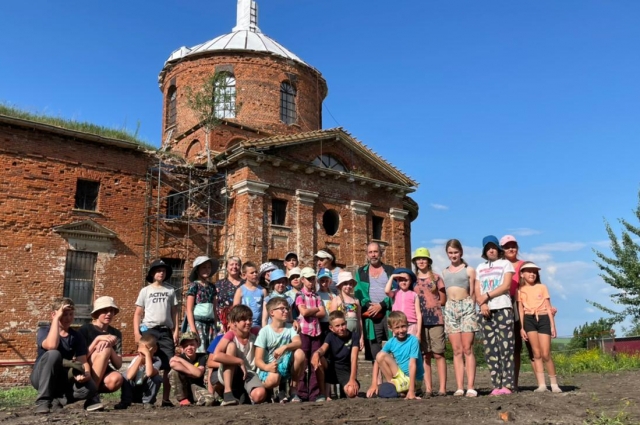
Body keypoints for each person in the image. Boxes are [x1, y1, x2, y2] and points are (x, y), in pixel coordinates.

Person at [30, 297, 102, 414]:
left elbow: (82, 361)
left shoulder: (76, 336)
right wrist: (56, 319)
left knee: (91, 388)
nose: (68, 318)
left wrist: (86, 374)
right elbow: (52, 346)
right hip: (40, 377)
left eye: (71, 314)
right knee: (54, 354)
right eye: (64, 314)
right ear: (54, 314)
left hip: (62, 380)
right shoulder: (44, 331)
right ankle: (43, 402)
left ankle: (57, 400)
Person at [134, 259, 179, 407]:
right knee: (144, 362)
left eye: (164, 271)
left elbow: (174, 313)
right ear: (152, 273)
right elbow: (138, 313)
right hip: (149, 330)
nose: (161, 273)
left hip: (165, 331)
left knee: (168, 366)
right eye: (158, 270)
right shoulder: (145, 291)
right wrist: (136, 333)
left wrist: (176, 330)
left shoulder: (170, 291)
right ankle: (140, 395)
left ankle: (165, 399)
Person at [476, 235, 515, 396]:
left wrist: (487, 296)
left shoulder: (505, 264)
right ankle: (496, 384)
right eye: (487, 248)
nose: (491, 250)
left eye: (493, 247)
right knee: (491, 349)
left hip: (503, 307)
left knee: (506, 346)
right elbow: (477, 289)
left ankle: (508, 384)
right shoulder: (480, 267)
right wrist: (483, 303)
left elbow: (506, 285)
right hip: (486, 311)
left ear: (498, 250)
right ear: (485, 251)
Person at [441, 239, 479, 397]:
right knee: (456, 350)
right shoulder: (444, 272)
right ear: (447, 254)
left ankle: (470, 386)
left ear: (461, 252)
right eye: (450, 252)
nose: (453, 255)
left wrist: (472, 304)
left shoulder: (469, 270)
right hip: (450, 308)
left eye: (455, 252)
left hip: (466, 306)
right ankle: (459, 387)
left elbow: (474, 290)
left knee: (467, 348)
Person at [517, 262, 562, 393]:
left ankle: (554, 384)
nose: (532, 274)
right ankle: (541, 385)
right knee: (536, 353)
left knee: (546, 353)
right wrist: (521, 327)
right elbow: (520, 310)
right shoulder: (520, 290)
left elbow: (548, 307)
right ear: (522, 274)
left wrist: (553, 326)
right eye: (529, 271)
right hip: (528, 320)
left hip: (543, 319)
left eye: (534, 272)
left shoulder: (542, 287)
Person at [211, 305, 267, 406]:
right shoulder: (231, 334)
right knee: (231, 346)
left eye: (250, 319)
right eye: (244, 320)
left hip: (249, 373)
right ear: (235, 323)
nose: (248, 322)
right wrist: (239, 361)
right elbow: (216, 356)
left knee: (259, 395)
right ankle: (227, 393)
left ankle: (245, 394)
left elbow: (271, 331)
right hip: (232, 372)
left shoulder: (255, 331)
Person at [500, 234, 535, 390]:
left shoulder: (524, 265)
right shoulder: (499, 266)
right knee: (513, 347)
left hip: (523, 303)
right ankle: (513, 383)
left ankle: (541, 382)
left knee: (531, 344)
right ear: (502, 249)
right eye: (507, 246)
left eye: (513, 246)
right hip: (505, 304)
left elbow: (535, 286)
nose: (511, 249)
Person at [411, 248, 447, 397]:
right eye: (418, 259)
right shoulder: (412, 279)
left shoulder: (437, 278)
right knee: (425, 355)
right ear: (414, 262)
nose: (421, 261)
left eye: (423, 259)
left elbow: (444, 300)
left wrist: (434, 295)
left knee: (438, 353)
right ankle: (428, 389)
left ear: (429, 261)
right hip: (419, 320)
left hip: (436, 319)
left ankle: (443, 389)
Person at [254, 297, 305, 402]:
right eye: (282, 309)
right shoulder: (264, 331)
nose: (286, 311)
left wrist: (285, 347)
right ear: (272, 312)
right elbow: (258, 360)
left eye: (287, 308)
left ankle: (293, 391)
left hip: (284, 365)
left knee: (300, 353)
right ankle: (269, 393)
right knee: (274, 378)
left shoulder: (290, 328)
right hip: (269, 368)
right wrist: (267, 367)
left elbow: (298, 342)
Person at [366, 311, 424, 400]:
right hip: (400, 375)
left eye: (403, 326)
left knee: (383, 391)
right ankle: (395, 386)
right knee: (380, 355)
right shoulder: (391, 342)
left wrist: (411, 390)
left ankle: (407, 390)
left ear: (407, 325)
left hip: (414, 379)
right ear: (390, 328)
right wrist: (374, 383)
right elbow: (377, 360)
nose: (401, 330)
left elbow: (412, 365)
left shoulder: (413, 341)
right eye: (397, 327)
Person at [355, 242, 395, 362]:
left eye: (375, 252)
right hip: (371, 314)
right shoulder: (361, 272)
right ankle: (377, 380)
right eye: (370, 252)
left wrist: (381, 305)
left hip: (388, 312)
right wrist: (369, 305)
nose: (373, 255)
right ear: (367, 254)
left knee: (394, 343)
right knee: (374, 348)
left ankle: (396, 378)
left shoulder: (390, 270)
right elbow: (358, 292)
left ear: (381, 253)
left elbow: (394, 290)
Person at [78, 296, 124, 395]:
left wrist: (109, 347)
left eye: (111, 311)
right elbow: (80, 358)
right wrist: (97, 340)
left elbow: (118, 365)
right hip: (85, 368)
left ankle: (91, 392)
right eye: (105, 311)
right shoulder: (85, 329)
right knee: (105, 348)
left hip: (103, 369)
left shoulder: (115, 333)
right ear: (97, 313)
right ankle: (92, 395)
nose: (109, 314)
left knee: (116, 379)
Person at [311, 311, 361, 399]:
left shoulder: (354, 336)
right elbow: (323, 348)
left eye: (343, 324)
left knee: (351, 392)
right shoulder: (330, 336)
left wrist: (352, 379)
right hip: (331, 368)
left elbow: (354, 358)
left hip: (345, 370)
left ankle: (343, 389)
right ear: (331, 328)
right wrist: (316, 353)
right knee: (318, 357)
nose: (341, 328)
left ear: (346, 323)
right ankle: (323, 394)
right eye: (337, 326)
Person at [295, 267, 327, 402]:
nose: (311, 281)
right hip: (304, 331)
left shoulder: (317, 296)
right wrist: (315, 309)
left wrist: (310, 310)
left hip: (316, 331)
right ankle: (301, 393)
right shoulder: (299, 296)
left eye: (313, 278)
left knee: (315, 361)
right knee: (303, 362)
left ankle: (314, 393)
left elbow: (323, 313)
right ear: (302, 280)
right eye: (308, 279)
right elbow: (304, 313)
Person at [114, 334, 163, 409]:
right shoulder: (136, 359)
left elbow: (149, 373)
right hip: (134, 391)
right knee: (124, 375)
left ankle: (148, 402)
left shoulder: (156, 361)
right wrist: (140, 358)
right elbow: (129, 376)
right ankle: (125, 401)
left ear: (154, 349)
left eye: (146, 349)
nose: (142, 352)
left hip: (145, 392)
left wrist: (147, 355)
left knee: (156, 378)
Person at [169, 331, 213, 406]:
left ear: (197, 344)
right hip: (184, 387)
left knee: (210, 400)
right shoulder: (179, 357)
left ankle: (196, 400)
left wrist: (181, 361)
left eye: (192, 344)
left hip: (196, 386)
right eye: (186, 345)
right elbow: (172, 364)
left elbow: (198, 373)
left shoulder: (202, 357)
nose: (189, 347)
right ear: (182, 348)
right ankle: (182, 399)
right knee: (173, 372)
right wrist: (192, 372)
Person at [186, 256, 220, 353]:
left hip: (210, 324)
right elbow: (189, 309)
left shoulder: (212, 286)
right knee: (199, 350)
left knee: (212, 350)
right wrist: (193, 329)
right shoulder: (194, 285)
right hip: (198, 323)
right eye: (204, 267)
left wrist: (216, 324)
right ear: (197, 270)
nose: (207, 270)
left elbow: (214, 307)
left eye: (209, 267)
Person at [330, 271, 365, 350]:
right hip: (340, 333)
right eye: (345, 284)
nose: (348, 286)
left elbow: (359, 319)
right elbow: (332, 320)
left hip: (354, 332)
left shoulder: (356, 300)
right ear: (340, 286)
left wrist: (361, 336)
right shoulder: (336, 300)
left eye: (350, 284)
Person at [385, 268, 421, 338]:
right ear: (397, 281)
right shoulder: (395, 292)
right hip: (397, 325)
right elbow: (386, 291)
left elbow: (418, 314)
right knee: (398, 346)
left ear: (410, 281)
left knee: (410, 346)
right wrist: (392, 277)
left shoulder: (414, 295)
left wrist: (419, 332)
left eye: (406, 280)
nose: (403, 282)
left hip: (411, 325)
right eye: (401, 280)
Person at [234, 261, 267, 331]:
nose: (255, 274)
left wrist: (264, 328)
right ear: (244, 275)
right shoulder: (240, 290)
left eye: (256, 272)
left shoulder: (263, 291)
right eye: (252, 273)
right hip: (243, 326)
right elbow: (235, 311)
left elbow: (265, 312)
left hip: (258, 326)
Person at [317, 268, 336, 336]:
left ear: (330, 282)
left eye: (326, 281)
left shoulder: (333, 295)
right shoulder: (316, 295)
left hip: (330, 322)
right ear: (318, 281)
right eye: (322, 281)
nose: (324, 283)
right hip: (320, 322)